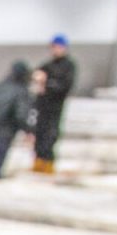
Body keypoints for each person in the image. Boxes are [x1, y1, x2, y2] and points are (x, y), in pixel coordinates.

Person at [32, 35, 79, 175]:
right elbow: (36, 75)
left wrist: (46, 83)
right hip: (43, 104)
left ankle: (48, 162)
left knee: (51, 133)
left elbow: (66, 86)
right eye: (53, 47)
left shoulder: (68, 66)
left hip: (55, 105)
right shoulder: (47, 65)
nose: (55, 50)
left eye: (58, 47)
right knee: (39, 132)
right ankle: (38, 160)